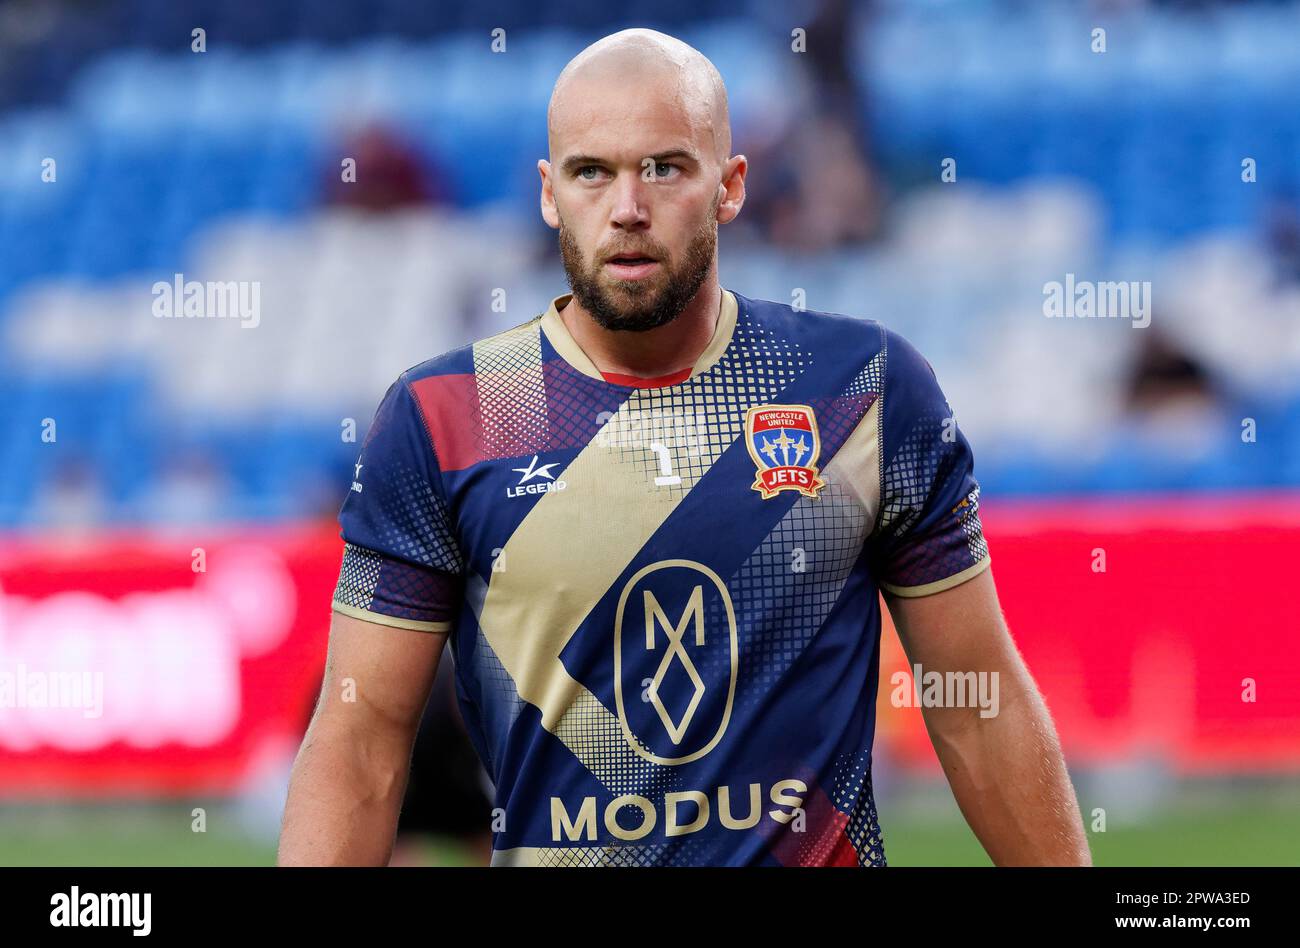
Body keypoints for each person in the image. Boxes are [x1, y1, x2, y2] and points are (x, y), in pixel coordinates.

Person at [278, 28, 1090, 867]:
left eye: (664, 167)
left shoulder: (864, 388)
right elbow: (361, 741)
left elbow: (977, 706)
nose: (627, 207)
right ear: (550, 193)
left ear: (730, 186)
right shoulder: (445, 414)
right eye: (593, 172)